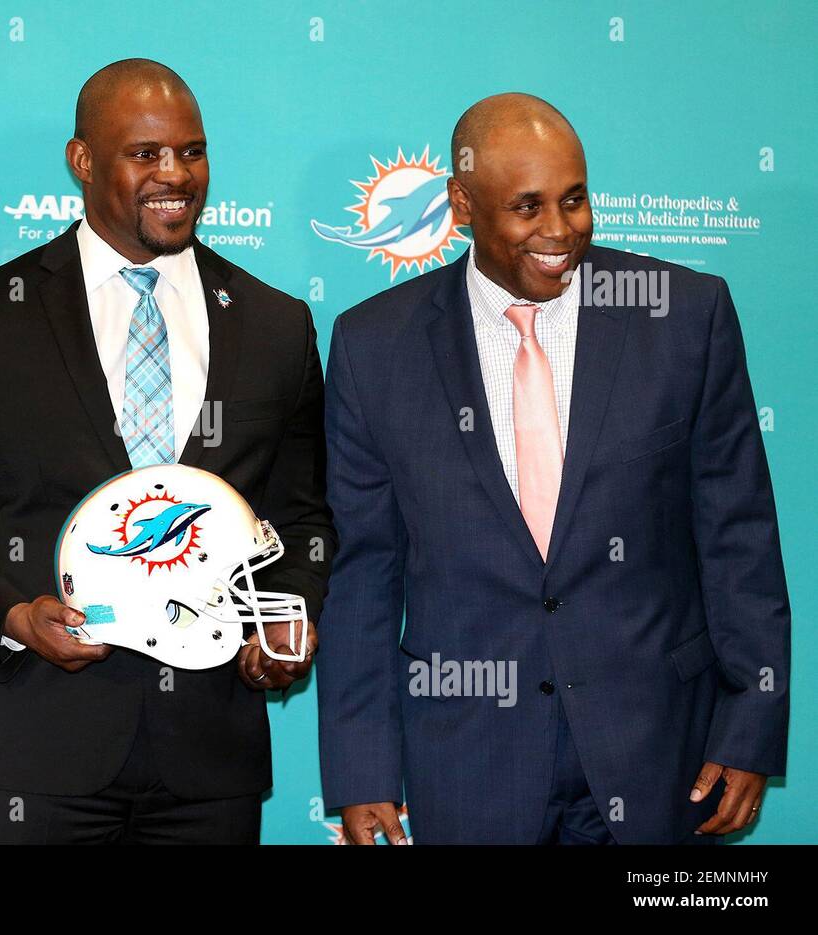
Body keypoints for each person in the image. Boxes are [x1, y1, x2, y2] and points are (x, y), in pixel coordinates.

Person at [317, 93, 790, 844]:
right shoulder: (376, 346)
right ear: (462, 204)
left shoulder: (683, 315)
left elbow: (739, 538)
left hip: (657, 747)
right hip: (469, 758)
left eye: (574, 200)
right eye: (527, 207)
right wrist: (362, 765)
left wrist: (752, 721)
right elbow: (365, 574)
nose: (559, 231)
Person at [0, 59, 334, 844]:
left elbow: (301, 518)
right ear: (83, 161)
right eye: (145, 153)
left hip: (211, 758)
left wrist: (285, 619)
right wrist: (15, 617)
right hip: (33, 747)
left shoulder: (276, 325)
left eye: (191, 152)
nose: (175, 175)